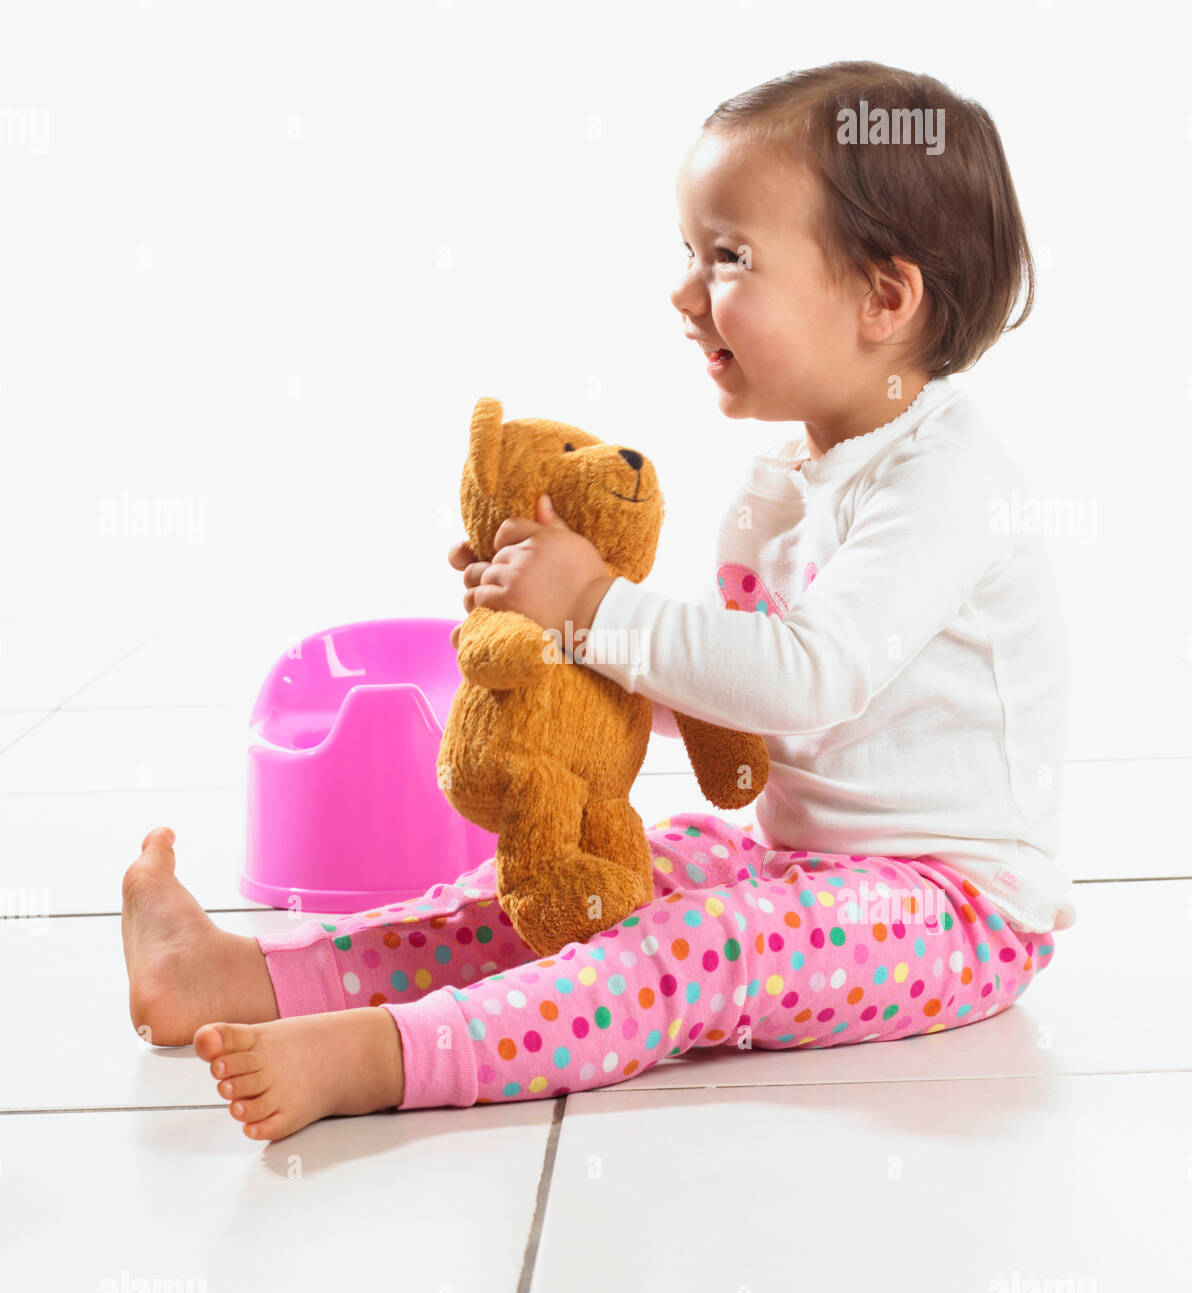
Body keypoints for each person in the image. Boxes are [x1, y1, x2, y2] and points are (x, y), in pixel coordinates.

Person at [120, 60, 1073, 1142]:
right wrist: (564, 651)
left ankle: (387, 1055)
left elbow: (811, 680)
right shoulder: (781, 488)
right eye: (687, 252)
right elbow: (732, 700)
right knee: (588, 874)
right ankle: (243, 976)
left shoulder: (943, 480)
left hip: (955, 908)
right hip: (799, 861)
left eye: (727, 257)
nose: (683, 293)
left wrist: (596, 609)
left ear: (883, 298)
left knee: (691, 952)